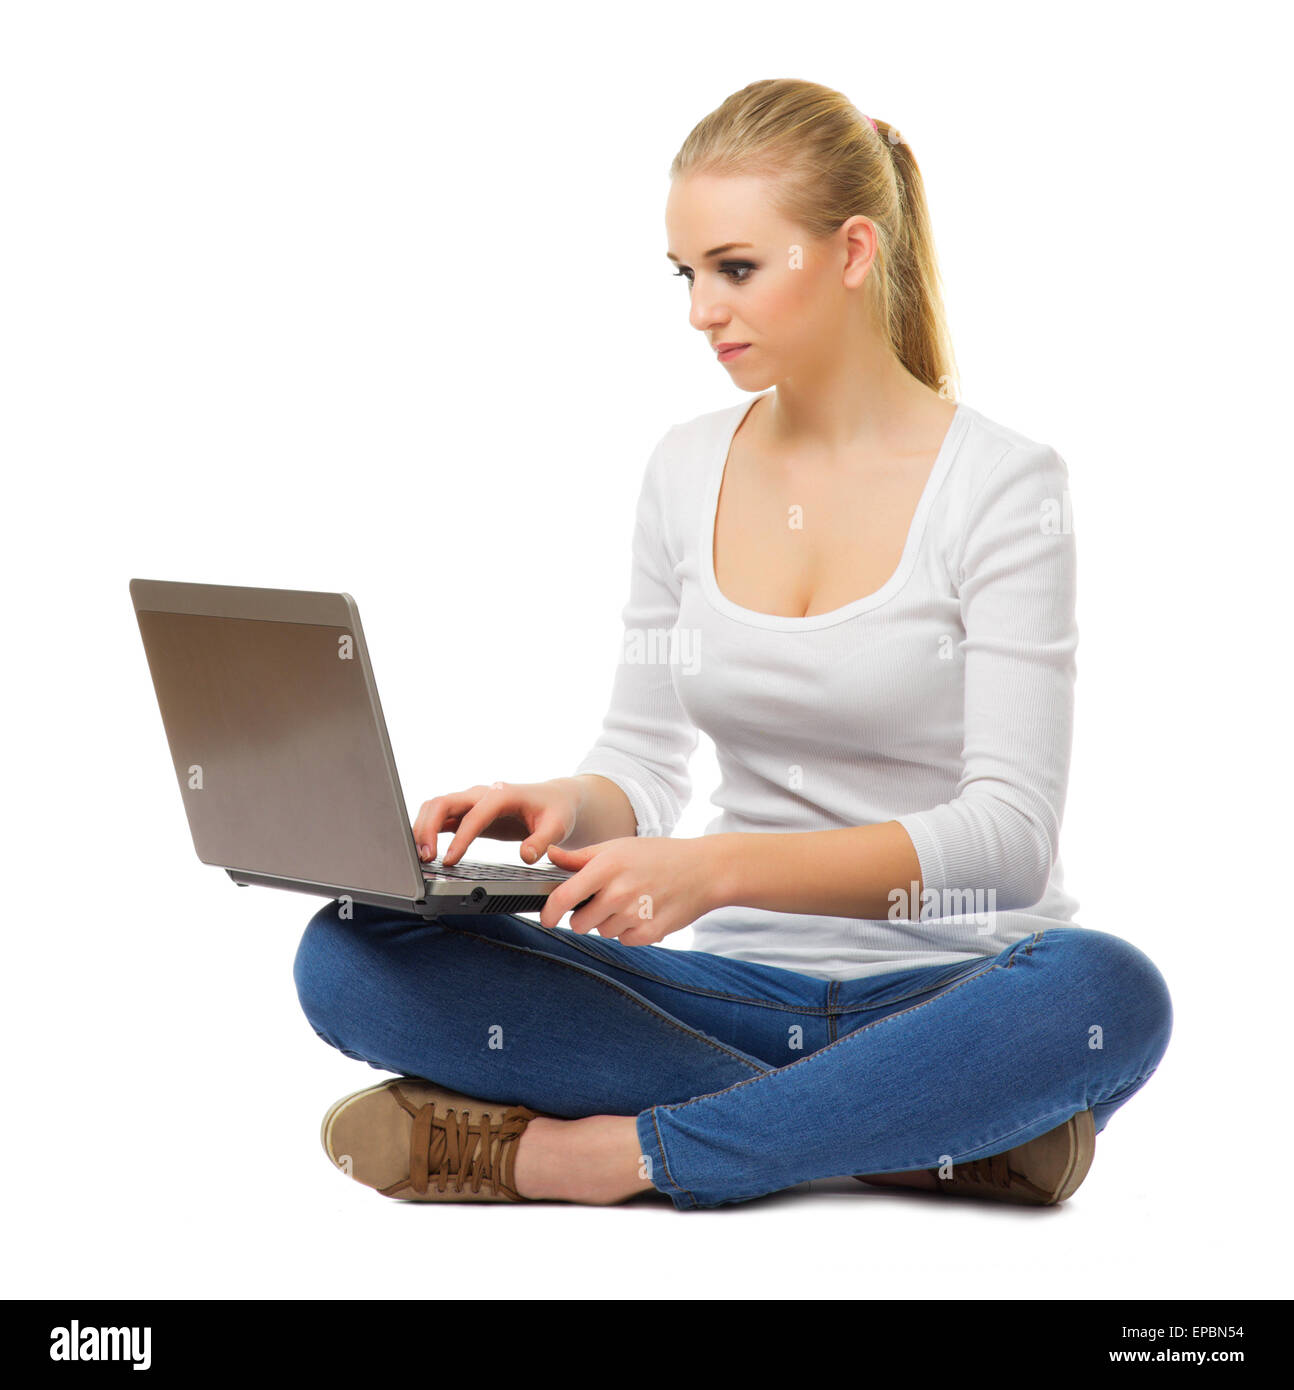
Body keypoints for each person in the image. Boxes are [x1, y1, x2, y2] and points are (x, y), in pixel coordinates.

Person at [293, 78, 1172, 1211]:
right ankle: (923, 1130)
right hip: (716, 989)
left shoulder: (1001, 484)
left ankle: (603, 1156)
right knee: (350, 953)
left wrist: (714, 869)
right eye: (686, 274)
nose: (702, 310)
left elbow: (1003, 837)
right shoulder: (683, 467)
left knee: (1110, 989)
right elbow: (644, 766)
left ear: (853, 250)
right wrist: (563, 805)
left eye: (736, 267)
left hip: (957, 992)